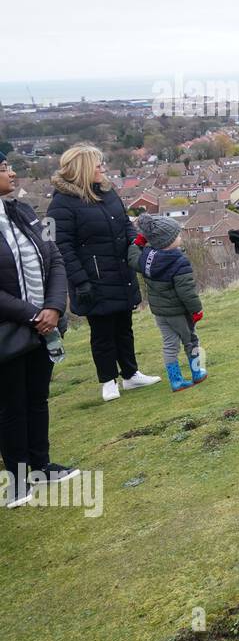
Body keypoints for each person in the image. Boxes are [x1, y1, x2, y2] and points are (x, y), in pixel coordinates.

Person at [48, 144, 160, 402]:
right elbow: (60, 247)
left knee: (124, 326)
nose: (102, 168)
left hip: (120, 272)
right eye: (97, 165)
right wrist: (80, 281)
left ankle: (131, 375)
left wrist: (136, 247)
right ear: (83, 168)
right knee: (102, 332)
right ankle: (108, 381)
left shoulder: (108, 194)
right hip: (92, 278)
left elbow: (124, 225)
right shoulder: (61, 204)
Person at [0, 149, 78, 507]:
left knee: (37, 399)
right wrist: (32, 313)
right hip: (9, 331)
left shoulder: (24, 210)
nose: (12, 173)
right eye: (5, 168)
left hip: (43, 326)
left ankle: (41, 465)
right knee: (10, 406)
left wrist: (53, 306)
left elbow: (55, 257)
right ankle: (17, 481)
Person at [128, 215, 206, 392]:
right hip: (178, 312)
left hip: (160, 313)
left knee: (170, 344)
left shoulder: (147, 256)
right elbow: (186, 291)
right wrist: (196, 310)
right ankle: (197, 372)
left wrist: (137, 244)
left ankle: (176, 380)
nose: (180, 237)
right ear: (168, 241)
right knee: (191, 340)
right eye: (177, 235)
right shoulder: (179, 262)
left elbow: (132, 259)